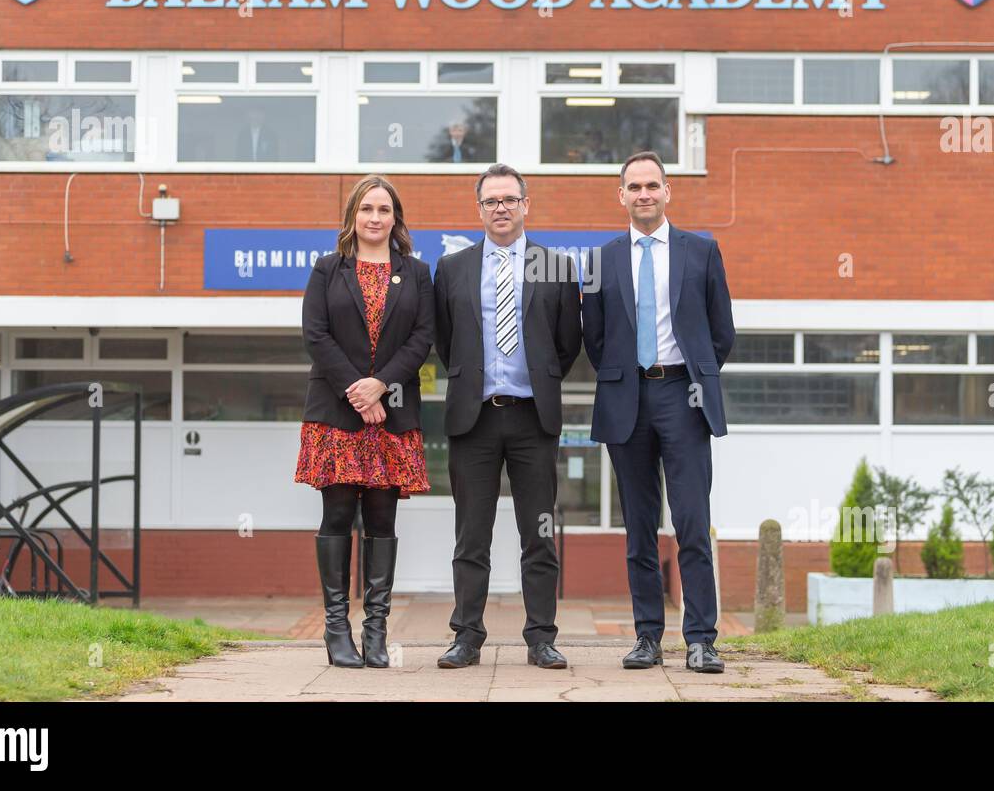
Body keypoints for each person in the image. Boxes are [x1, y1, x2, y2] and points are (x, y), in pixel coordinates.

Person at [581, 150, 735, 673]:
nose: (644, 194)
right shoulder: (601, 259)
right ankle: (647, 637)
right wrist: (628, 376)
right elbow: (595, 339)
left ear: (668, 192)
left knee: (692, 522)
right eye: (634, 187)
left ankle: (701, 640)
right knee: (640, 526)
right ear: (620, 195)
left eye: (652, 185)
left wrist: (692, 378)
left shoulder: (702, 251)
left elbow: (721, 333)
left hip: (684, 397)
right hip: (628, 399)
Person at [432, 163, 582, 669]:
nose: (501, 208)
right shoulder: (453, 268)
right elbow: (444, 339)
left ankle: (541, 637)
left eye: (509, 200)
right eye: (491, 201)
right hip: (473, 421)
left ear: (526, 205)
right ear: (479, 209)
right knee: (471, 535)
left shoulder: (556, 266)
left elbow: (565, 345)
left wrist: (535, 381)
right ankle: (466, 637)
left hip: (531, 421)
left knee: (538, 535)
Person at [296, 174, 434, 668]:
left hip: (393, 416)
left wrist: (381, 387)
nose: (375, 218)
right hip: (337, 414)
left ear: (396, 218)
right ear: (352, 216)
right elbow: (316, 334)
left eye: (384, 209)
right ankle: (337, 631)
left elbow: (422, 338)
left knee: (382, 520)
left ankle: (375, 632)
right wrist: (358, 391)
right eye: (366, 209)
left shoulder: (417, 274)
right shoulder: (327, 269)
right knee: (336, 516)